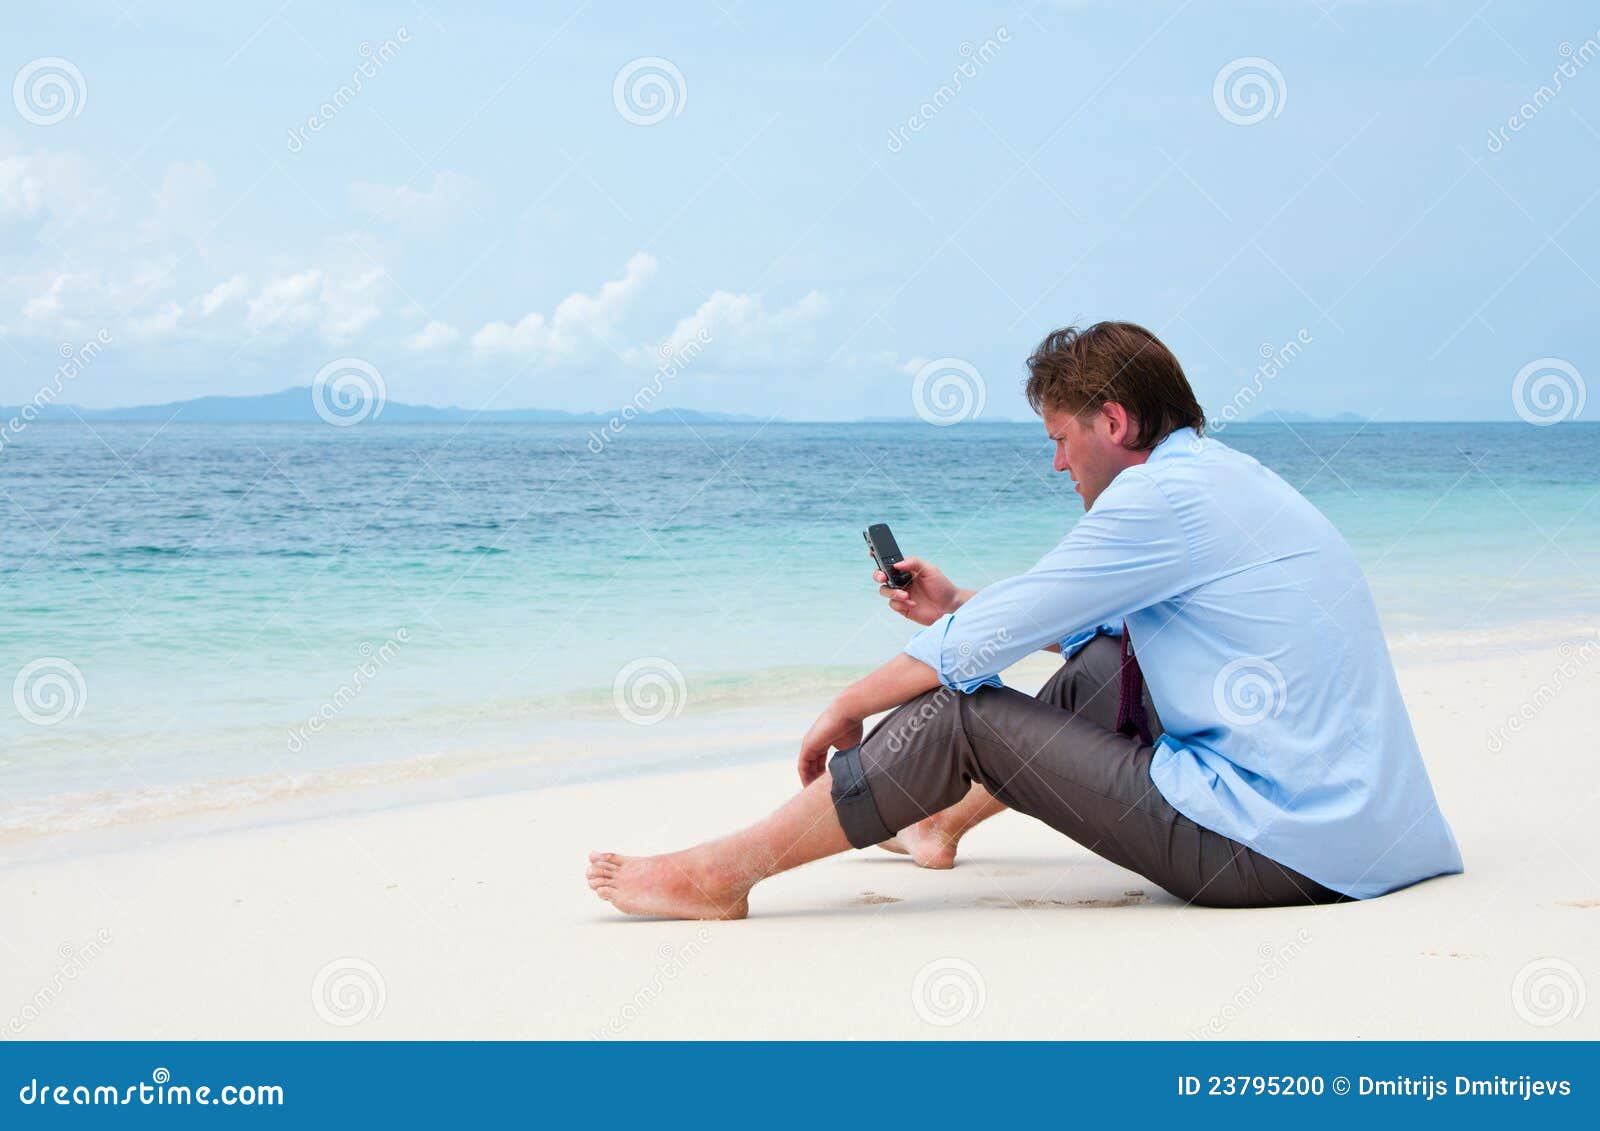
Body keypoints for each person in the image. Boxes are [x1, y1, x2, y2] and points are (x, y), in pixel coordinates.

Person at [587, 321, 1463, 919]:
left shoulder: (1160, 498)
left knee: (964, 712)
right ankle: (936, 824)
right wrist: (958, 604)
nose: (1056, 463)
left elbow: (979, 652)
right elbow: (1067, 624)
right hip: (1375, 832)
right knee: (1112, 655)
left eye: (1060, 437)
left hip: (1283, 851)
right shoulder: (1222, 477)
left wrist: (850, 702)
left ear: (1112, 421)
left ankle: (720, 875)